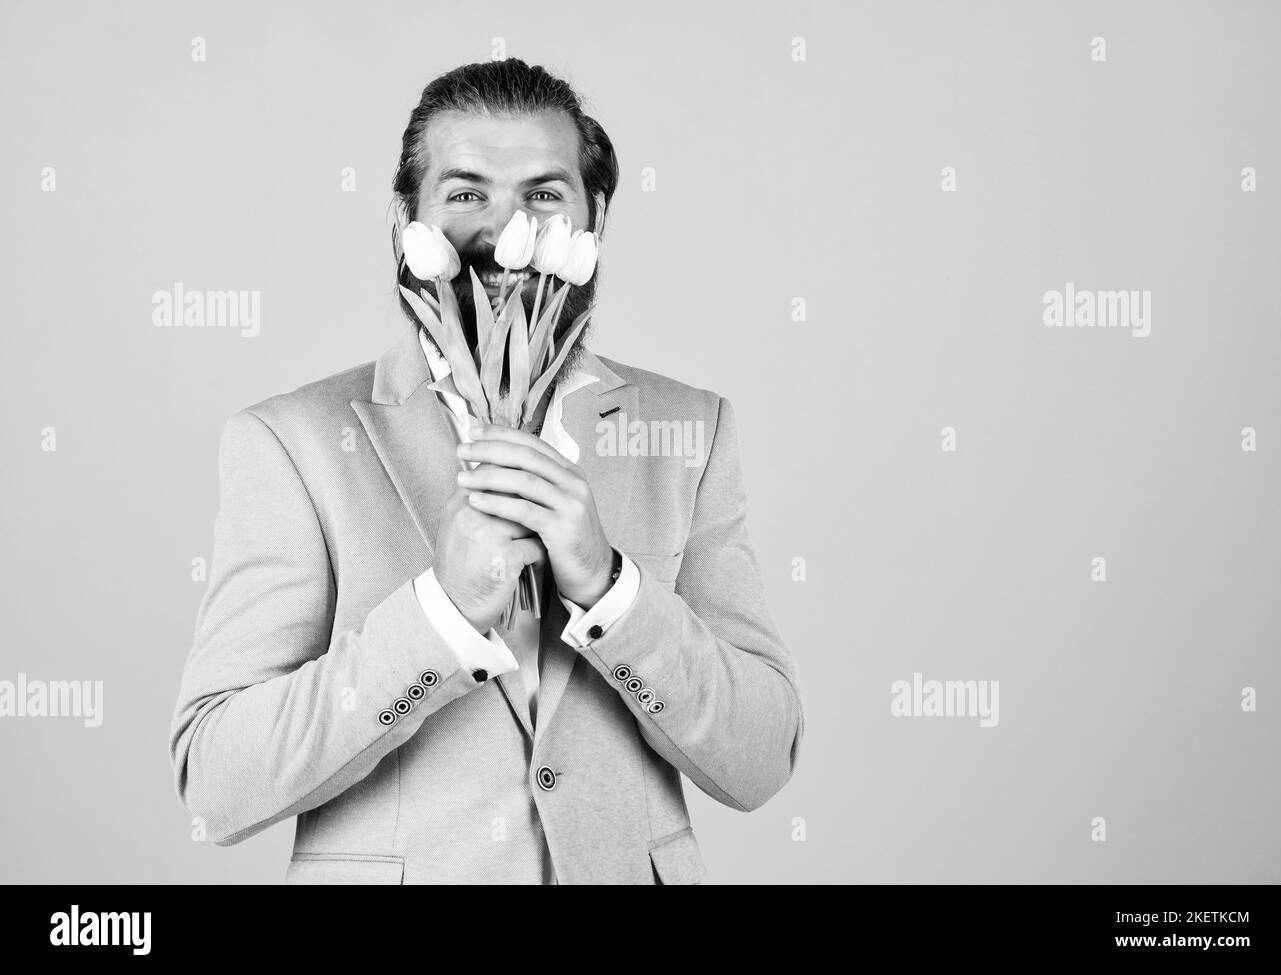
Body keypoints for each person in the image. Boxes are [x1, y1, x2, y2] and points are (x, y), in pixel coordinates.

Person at [168, 57, 804, 884]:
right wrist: (440, 615)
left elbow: (760, 760)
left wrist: (613, 590)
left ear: (596, 214)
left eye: (545, 194)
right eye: (466, 193)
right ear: (406, 221)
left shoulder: (691, 431)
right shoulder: (294, 442)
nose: (511, 229)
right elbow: (217, 786)